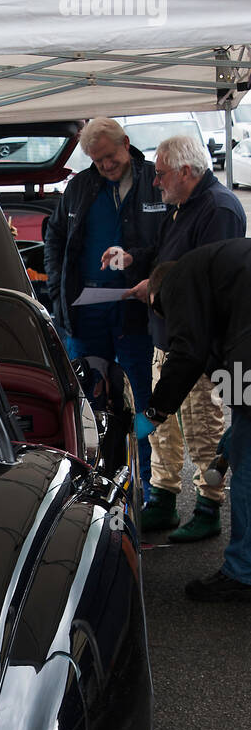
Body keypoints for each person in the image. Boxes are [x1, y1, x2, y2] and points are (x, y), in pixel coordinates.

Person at [111, 133, 246, 541]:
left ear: (186, 172)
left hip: (198, 346)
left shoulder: (219, 208)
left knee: (204, 426)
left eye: (162, 173)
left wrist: (155, 285)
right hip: (165, 334)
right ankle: (164, 500)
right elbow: (166, 256)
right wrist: (138, 261)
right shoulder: (181, 206)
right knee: (164, 428)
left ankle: (208, 505)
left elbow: (203, 282)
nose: (156, 182)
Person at [43, 118, 164, 496]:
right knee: (88, 403)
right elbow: (55, 239)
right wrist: (57, 287)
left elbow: (171, 244)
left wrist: (137, 260)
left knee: (139, 400)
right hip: (86, 312)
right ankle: (94, 486)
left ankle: (141, 490)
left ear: (126, 143)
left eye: (109, 157)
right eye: (97, 161)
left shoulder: (155, 182)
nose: (105, 166)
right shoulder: (79, 187)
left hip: (135, 311)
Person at [136, 240, 251, 600]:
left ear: (158, 293)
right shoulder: (218, 276)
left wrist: (152, 415)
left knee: (247, 467)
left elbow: (188, 352)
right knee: (243, 438)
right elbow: (218, 351)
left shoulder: (178, 280)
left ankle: (242, 572)